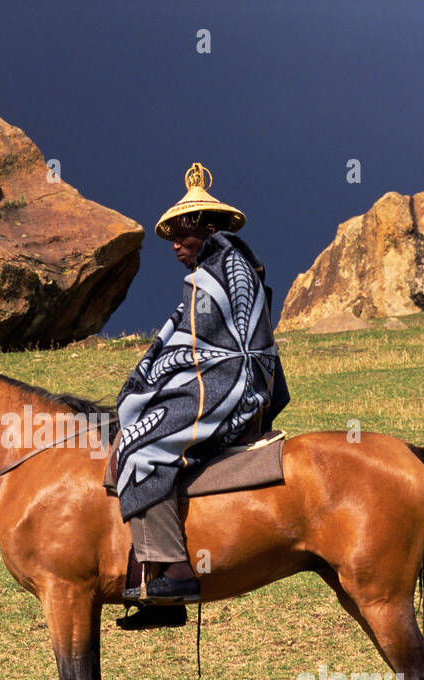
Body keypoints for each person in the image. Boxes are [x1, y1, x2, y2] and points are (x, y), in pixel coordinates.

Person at [115, 163, 290, 629]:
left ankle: (172, 572)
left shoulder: (223, 267)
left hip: (231, 385)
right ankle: (153, 580)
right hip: (220, 378)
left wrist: (150, 386)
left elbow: (214, 345)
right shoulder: (219, 267)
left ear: (207, 229)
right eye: (171, 235)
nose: (175, 243)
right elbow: (186, 340)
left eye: (183, 233)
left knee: (142, 445)